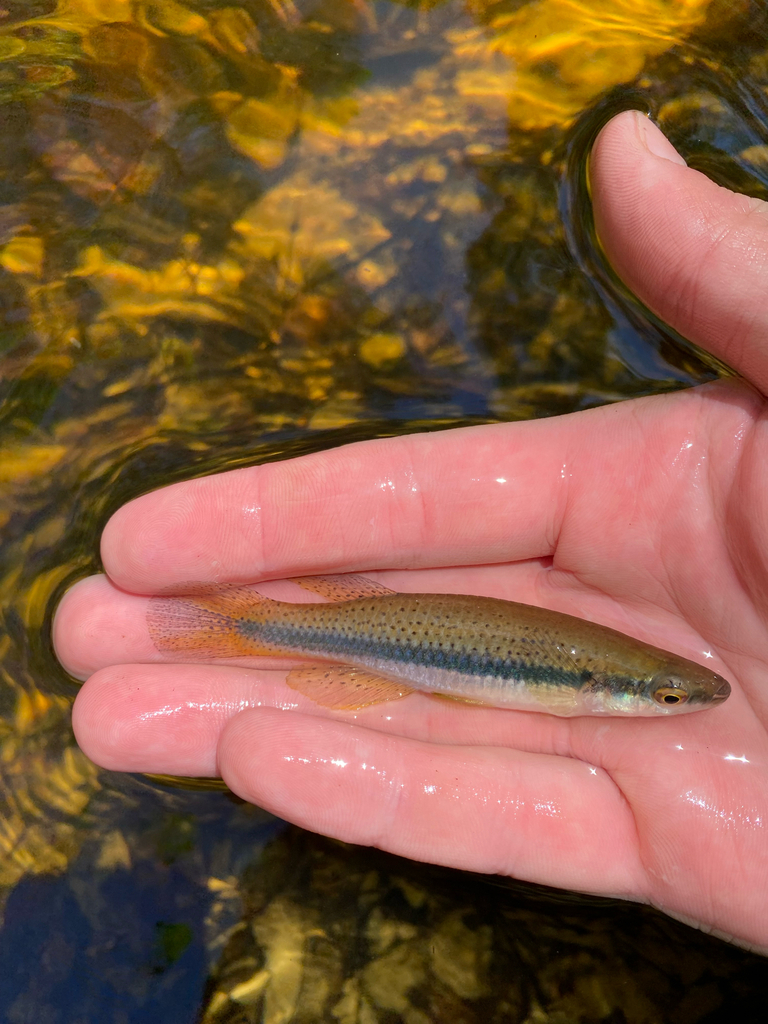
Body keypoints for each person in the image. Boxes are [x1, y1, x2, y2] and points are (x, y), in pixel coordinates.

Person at [54, 111, 768, 953]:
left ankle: (228, 624)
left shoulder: (611, 675)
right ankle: (227, 624)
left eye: (670, 696)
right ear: (617, 689)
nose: (676, 704)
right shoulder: (595, 676)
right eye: (670, 697)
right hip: (372, 639)